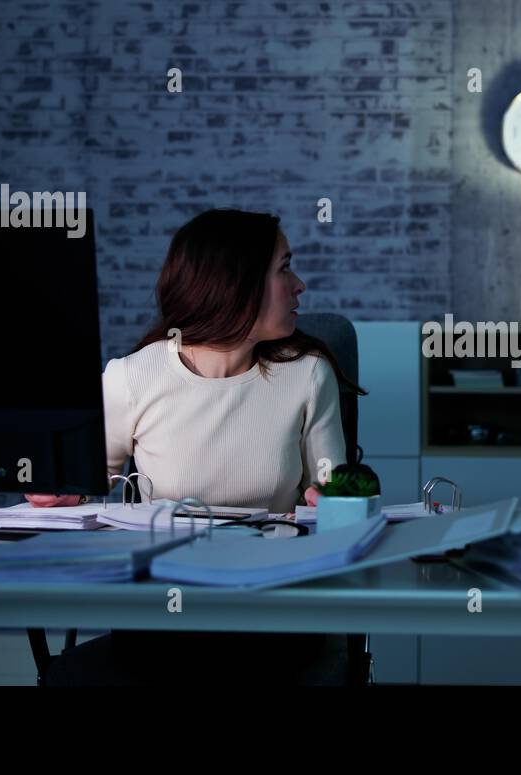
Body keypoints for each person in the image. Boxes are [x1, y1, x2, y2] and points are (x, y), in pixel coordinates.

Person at [29, 208, 365, 685]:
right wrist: (67, 491)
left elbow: (333, 498)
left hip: (270, 611)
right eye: (284, 268)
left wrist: (338, 503)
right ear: (235, 283)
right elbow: (85, 485)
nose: (300, 285)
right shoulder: (132, 378)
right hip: (163, 613)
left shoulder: (309, 374)